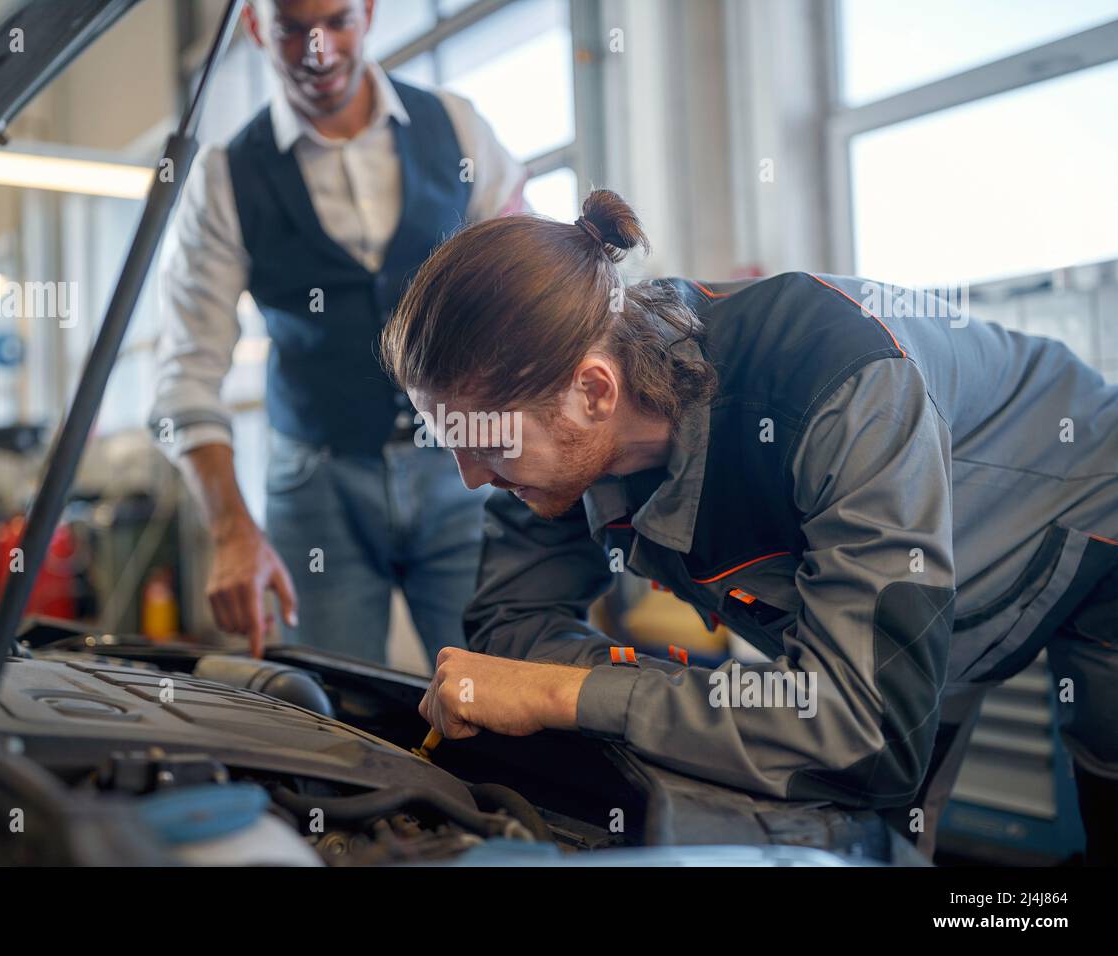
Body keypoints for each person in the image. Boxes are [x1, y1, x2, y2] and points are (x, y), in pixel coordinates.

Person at [381, 188, 1118, 863]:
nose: (471, 477)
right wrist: (615, 693)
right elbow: (512, 630)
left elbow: (865, 735)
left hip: (1090, 509)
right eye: (452, 439)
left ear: (595, 392)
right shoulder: (545, 407)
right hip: (905, 609)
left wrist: (568, 694)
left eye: (489, 444)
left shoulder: (838, 386)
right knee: (861, 835)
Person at [150, 0, 526, 663]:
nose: (318, 51)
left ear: (370, 12)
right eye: (292, 30)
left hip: (464, 469)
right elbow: (185, 373)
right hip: (316, 487)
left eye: (337, 22)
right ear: (254, 27)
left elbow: (529, 286)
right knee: (330, 709)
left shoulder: (458, 129)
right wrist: (232, 531)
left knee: (497, 687)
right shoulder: (224, 178)